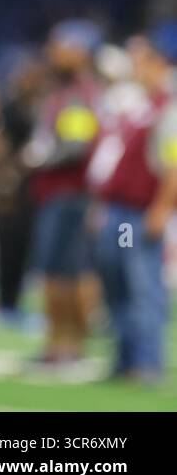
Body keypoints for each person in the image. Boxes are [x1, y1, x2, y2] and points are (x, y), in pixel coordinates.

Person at [86, 24, 177, 382]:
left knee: (143, 288)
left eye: (140, 61)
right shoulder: (137, 105)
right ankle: (123, 360)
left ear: (157, 63)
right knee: (117, 287)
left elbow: (172, 165)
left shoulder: (168, 106)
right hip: (117, 209)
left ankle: (146, 363)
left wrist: (161, 209)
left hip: (141, 211)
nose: (134, 68)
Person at [24, 19, 103, 368]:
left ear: (79, 52)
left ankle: (70, 344)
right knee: (56, 271)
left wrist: (38, 159)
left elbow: (76, 147)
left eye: (60, 46)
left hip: (70, 194)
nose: (52, 52)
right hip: (55, 194)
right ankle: (59, 343)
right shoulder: (62, 92)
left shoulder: (80, 94)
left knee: (67, 272)